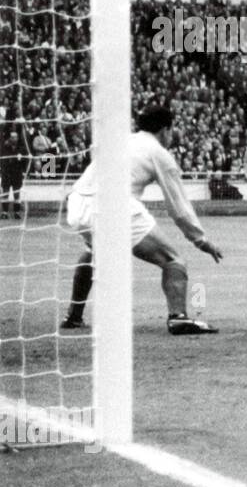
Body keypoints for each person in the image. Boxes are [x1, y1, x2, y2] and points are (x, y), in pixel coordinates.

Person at [62, 105, 222, 335]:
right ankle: (178, 318)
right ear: (166, 129)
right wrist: (201, 241)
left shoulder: (121, 140)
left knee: (93, 253)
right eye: (172, 129)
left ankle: (73, 316)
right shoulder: (159, 153)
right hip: (113, 205)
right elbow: (179, 207)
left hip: (77, 204)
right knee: (173, 260)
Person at [0, 121, 29, 221]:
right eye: (12, 137)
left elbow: (25, 160)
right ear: (9, 138)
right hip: (6, 173)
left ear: (17, 138)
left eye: (15, 137)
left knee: (17, 193)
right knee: (5, 193)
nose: (14, 139)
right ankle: (4, 212)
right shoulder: (4, 147)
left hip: (17, 174)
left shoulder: (21, 149)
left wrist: (24, 171)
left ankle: (16, 212)